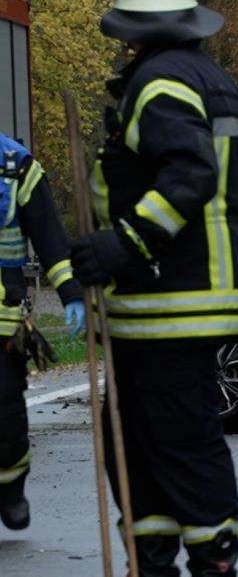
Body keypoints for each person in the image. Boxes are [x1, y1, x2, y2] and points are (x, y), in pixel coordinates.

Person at [70, 0, 238, 576]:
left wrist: (122, 244)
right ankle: (164, 559)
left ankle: (200, 563)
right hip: (184, 303)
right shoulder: (207, 78)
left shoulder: (160, 83)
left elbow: (189, 176)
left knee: (174, 450)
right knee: (151, 453)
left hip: (165, 304)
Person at [0, 131, 85, 531]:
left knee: (7, 417)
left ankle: (11, 487)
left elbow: (49, 238)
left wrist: (70, 293)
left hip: (3, 320)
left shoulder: (16, 166)